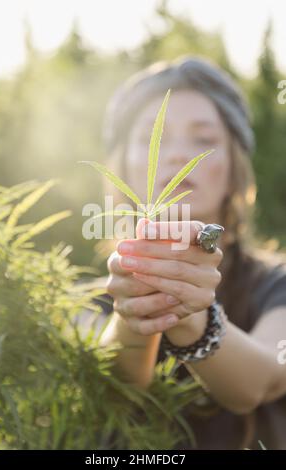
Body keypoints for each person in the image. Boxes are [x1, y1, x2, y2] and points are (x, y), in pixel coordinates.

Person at [93, 56, 286, 450]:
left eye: (203, 139)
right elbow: (105, 388)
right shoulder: (84, 301)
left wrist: (195, 318)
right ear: (122, 165)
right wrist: (139, 298)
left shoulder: (276, 286)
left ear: (234, 164)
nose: (179, 155)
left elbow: (268, 374)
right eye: (152, 138)